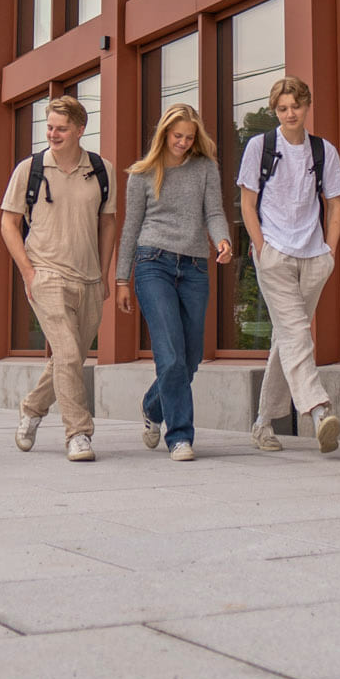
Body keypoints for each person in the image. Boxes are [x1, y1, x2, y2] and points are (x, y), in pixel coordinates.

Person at [114, 103, 232, 462]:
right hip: (153, 264)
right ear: (164, 133)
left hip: (195, 266)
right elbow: (131, 229)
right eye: (177, 136)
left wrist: (222, 240)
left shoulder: (205, 168)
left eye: (189, 137)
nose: (183, 142)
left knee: (191, 356)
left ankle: (152, 405)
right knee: (170, 353)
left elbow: (213, 212)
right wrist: (122, 279)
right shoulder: (142, 174)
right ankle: (179, 436)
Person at [1, 96, 117, 462]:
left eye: (61, 128)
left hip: (88, 277)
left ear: (81, 130)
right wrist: (28, 271)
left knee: (71, 358)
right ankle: (79, 433)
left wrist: (104, 273)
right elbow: (8, 223)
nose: (53, 133)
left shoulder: (101, 169)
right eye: (49, 127)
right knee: (67, 353)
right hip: (45, 272)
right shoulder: (30, 169)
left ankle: (32, 408)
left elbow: (108, 222)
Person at [237, 76, 340, 454]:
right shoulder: (260, 147)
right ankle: (319, 409)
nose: (290, 114)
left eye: (295, 107)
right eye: (282, 108)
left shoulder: (323, 151)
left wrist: (329, 252)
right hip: (275, 256)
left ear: (306, 106)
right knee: (298, 333)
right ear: (275, 110)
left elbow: (336, 202)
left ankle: (263, 423)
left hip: (314, 256)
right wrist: (261, 247)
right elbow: (247, 203)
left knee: (285, 338)